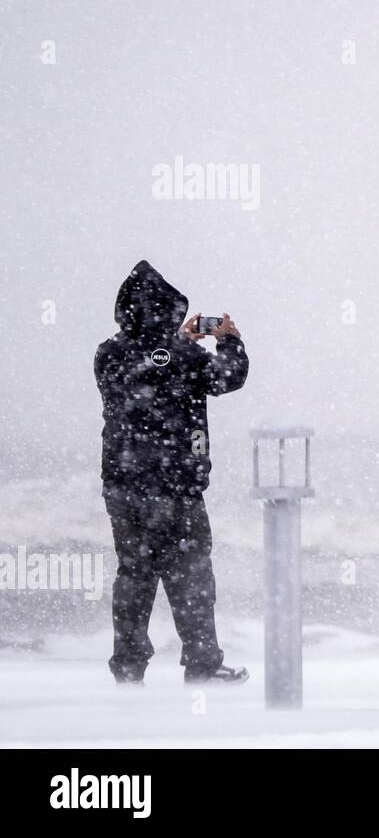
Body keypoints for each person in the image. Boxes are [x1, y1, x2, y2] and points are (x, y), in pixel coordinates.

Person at [94, 260, 250, 684]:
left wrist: (176, 342)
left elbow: (151, 367)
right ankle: (202, 666)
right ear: (170, 310)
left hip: (122, 486)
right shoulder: (184, 357)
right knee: (191, 577)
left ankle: (128, 671)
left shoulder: (107, 353)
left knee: (134, 577)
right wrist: (229, 340)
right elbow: (228, 377)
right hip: (175, 486)